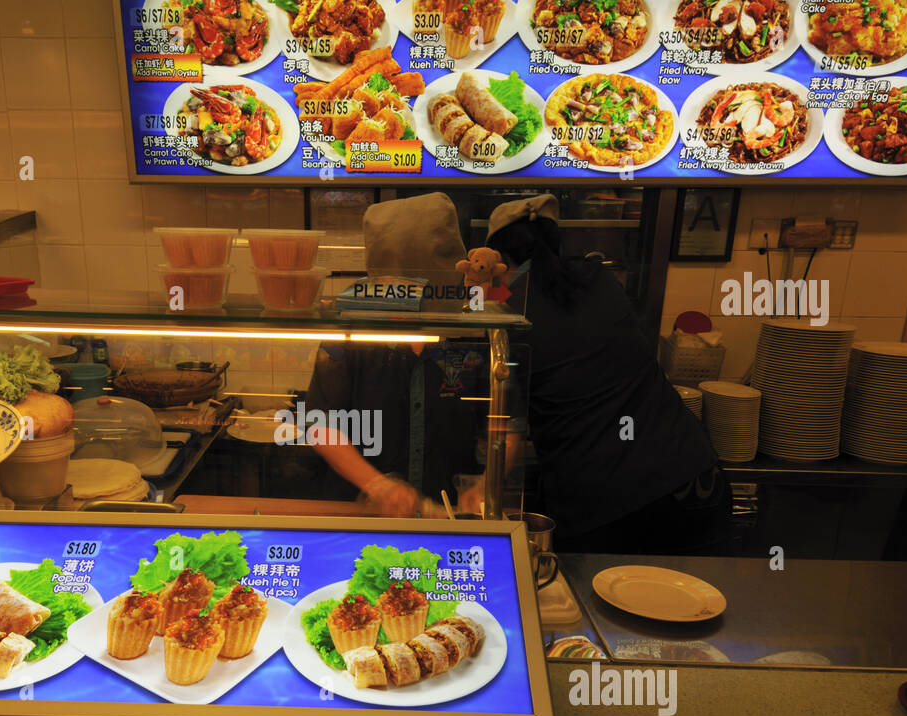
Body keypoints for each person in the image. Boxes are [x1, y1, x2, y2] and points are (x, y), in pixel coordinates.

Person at [484, 194, 733, 555]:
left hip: (602, 507)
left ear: (498, 260)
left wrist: (484, 487)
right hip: (690, 482)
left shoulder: (510, 314)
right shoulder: (599, 279)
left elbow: (508, 427)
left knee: (602, 609)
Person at [303, 338, 521, 516]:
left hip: (449, 516)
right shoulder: (352, 336)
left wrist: (485, 486)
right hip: (360, 514)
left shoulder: (474, 341)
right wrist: (378, 486)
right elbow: (320, 427)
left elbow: (507, 428)